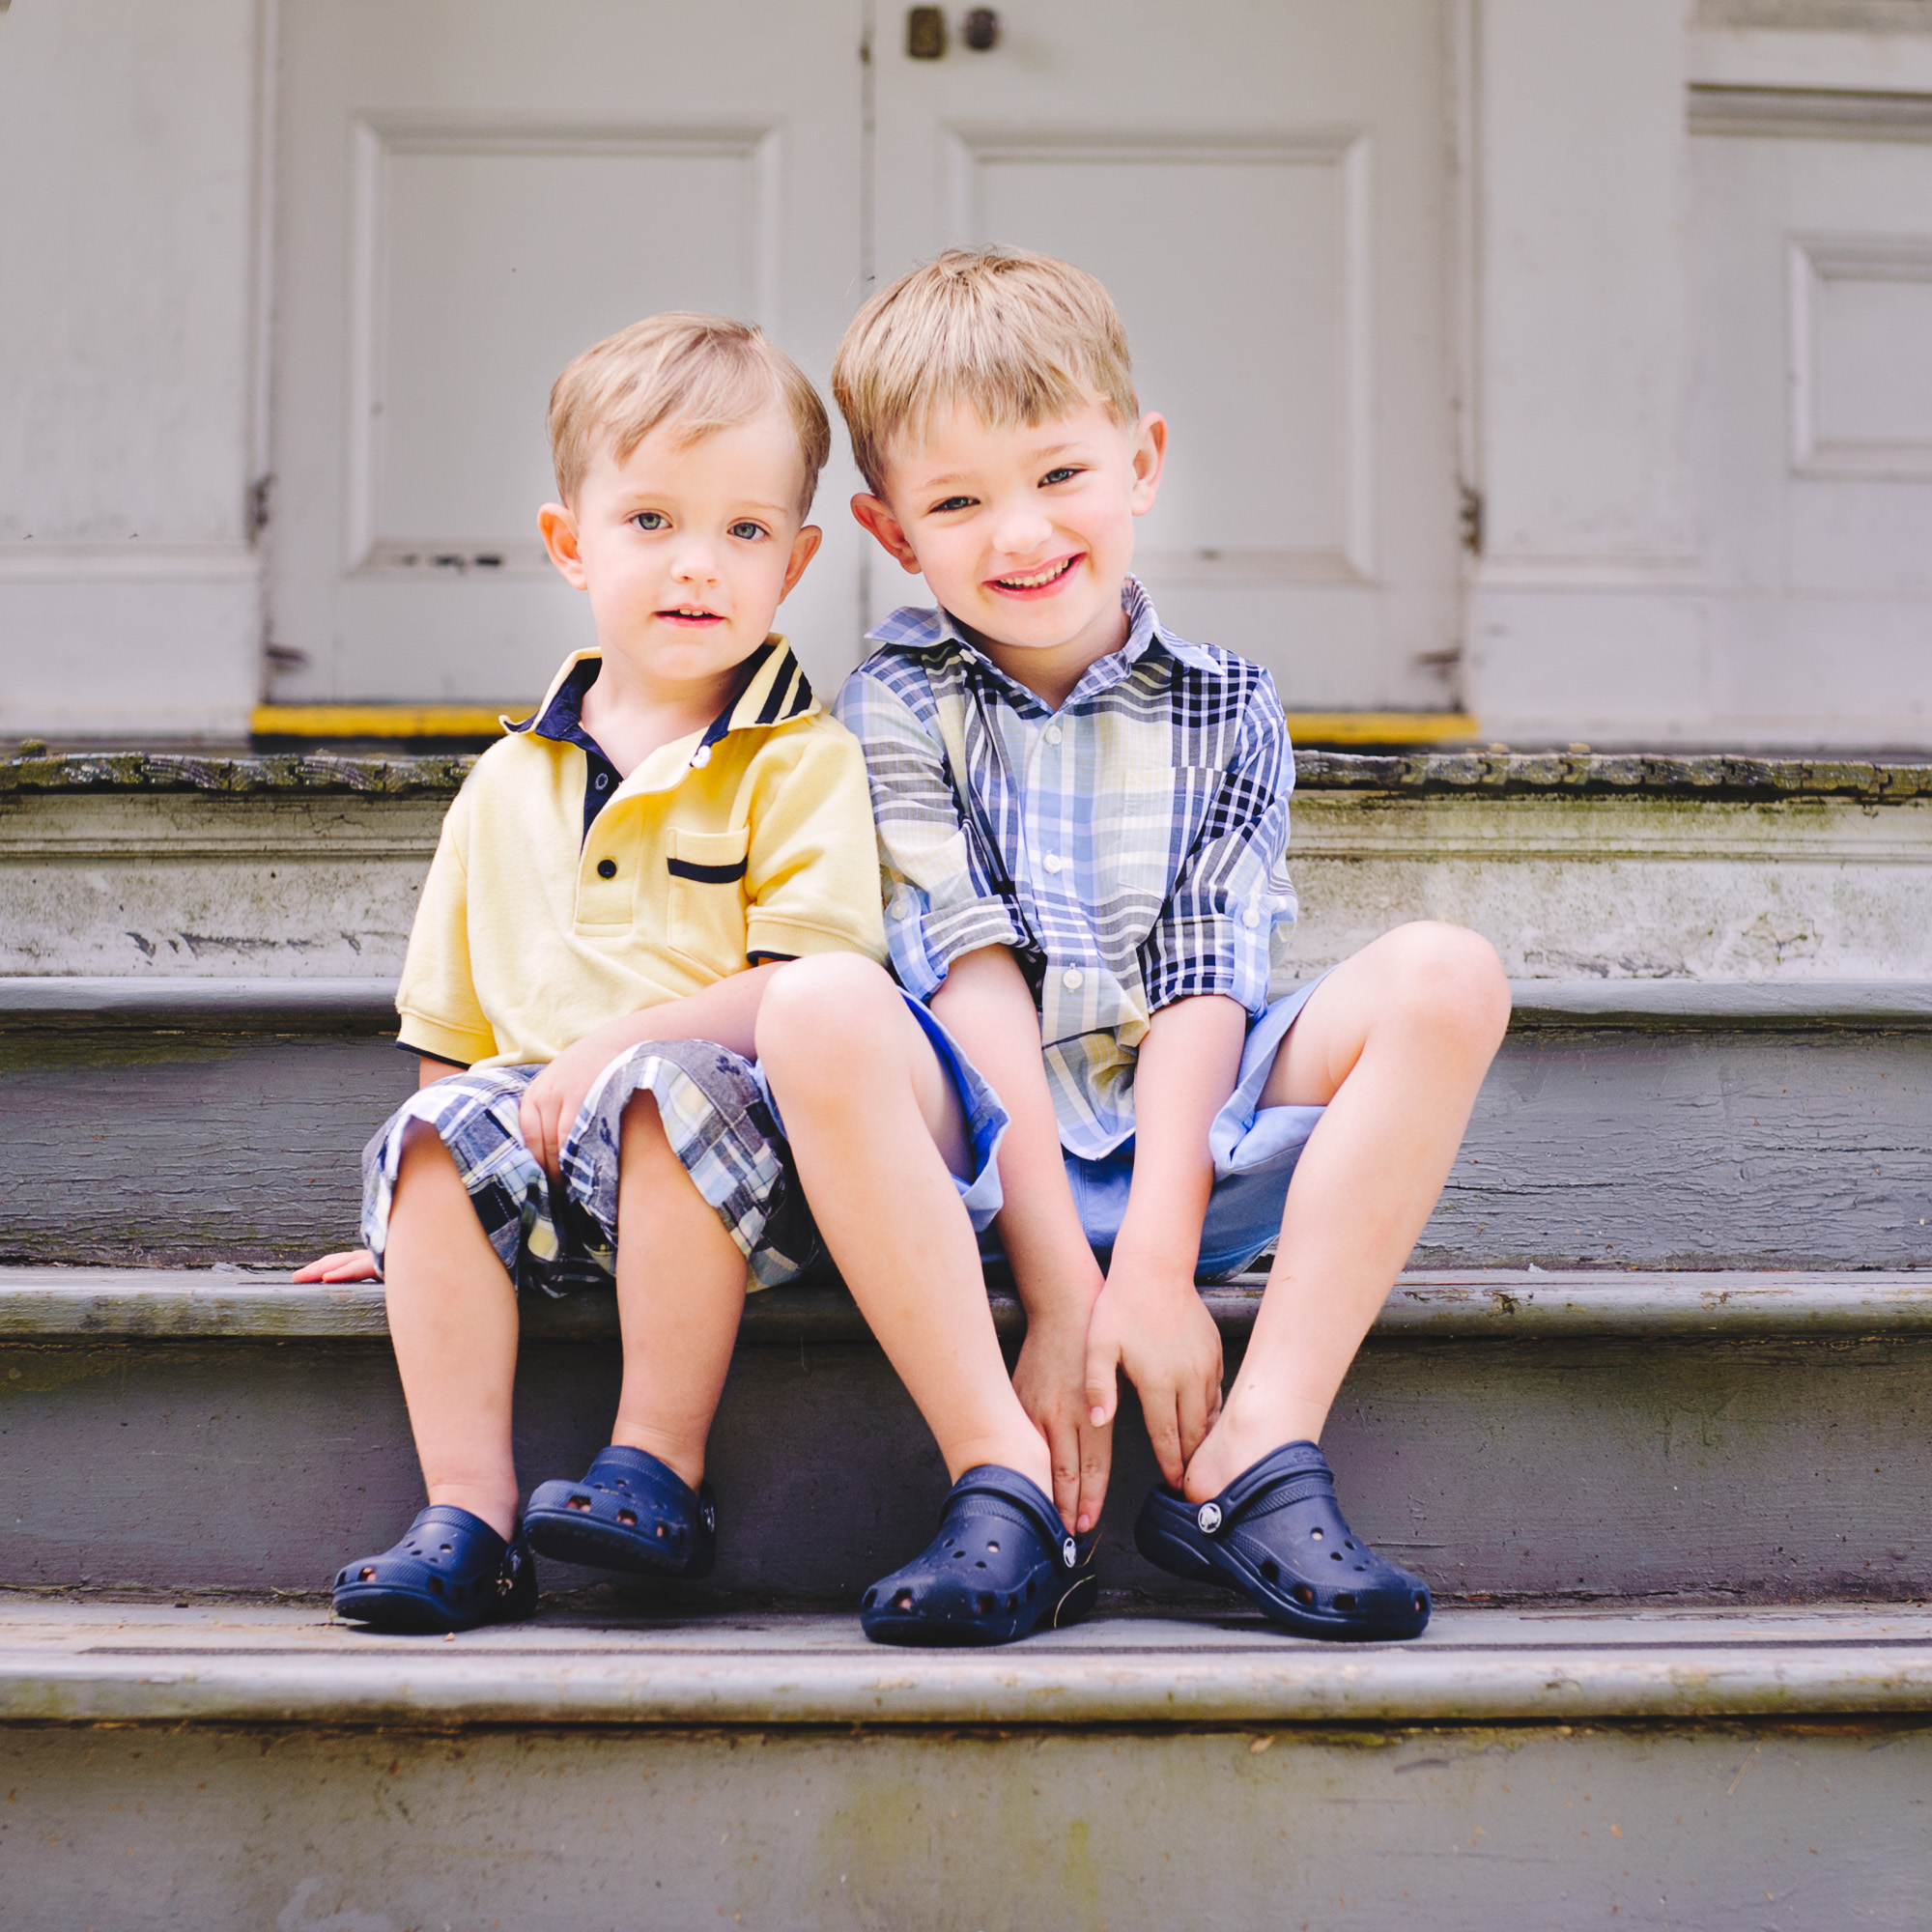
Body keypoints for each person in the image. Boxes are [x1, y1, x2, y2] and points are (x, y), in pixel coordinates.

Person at [299, 312, 1091, 1642]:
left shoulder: (800, 758)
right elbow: (450, 1032)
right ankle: (470, 1518)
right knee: (433, 1132)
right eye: (651, 522)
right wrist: (413, 1213)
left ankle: (655, 1463)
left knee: (674, 1086)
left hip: (737, 1176)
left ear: (796, 558)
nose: (695, 566)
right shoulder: (505, 784)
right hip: (546, 1160)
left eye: (741, 532)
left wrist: (620, 1046)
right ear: (571, 546)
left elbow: (814, 976)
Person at [820, 247, 1513, 1641]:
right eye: (958, 502)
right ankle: (1003, 1475)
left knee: (1450, 971)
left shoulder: (1229, 706)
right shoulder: (892, 702)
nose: (1020, 535)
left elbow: (1210, 975)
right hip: (975, 1160)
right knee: (821, 1006)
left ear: (1139, 462)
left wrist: (1151, 1267)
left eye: (1059, 477)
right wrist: (1065, 1293)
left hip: (1189, 1147)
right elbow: (971, 976)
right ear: (892, 534)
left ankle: (1249, 1458)